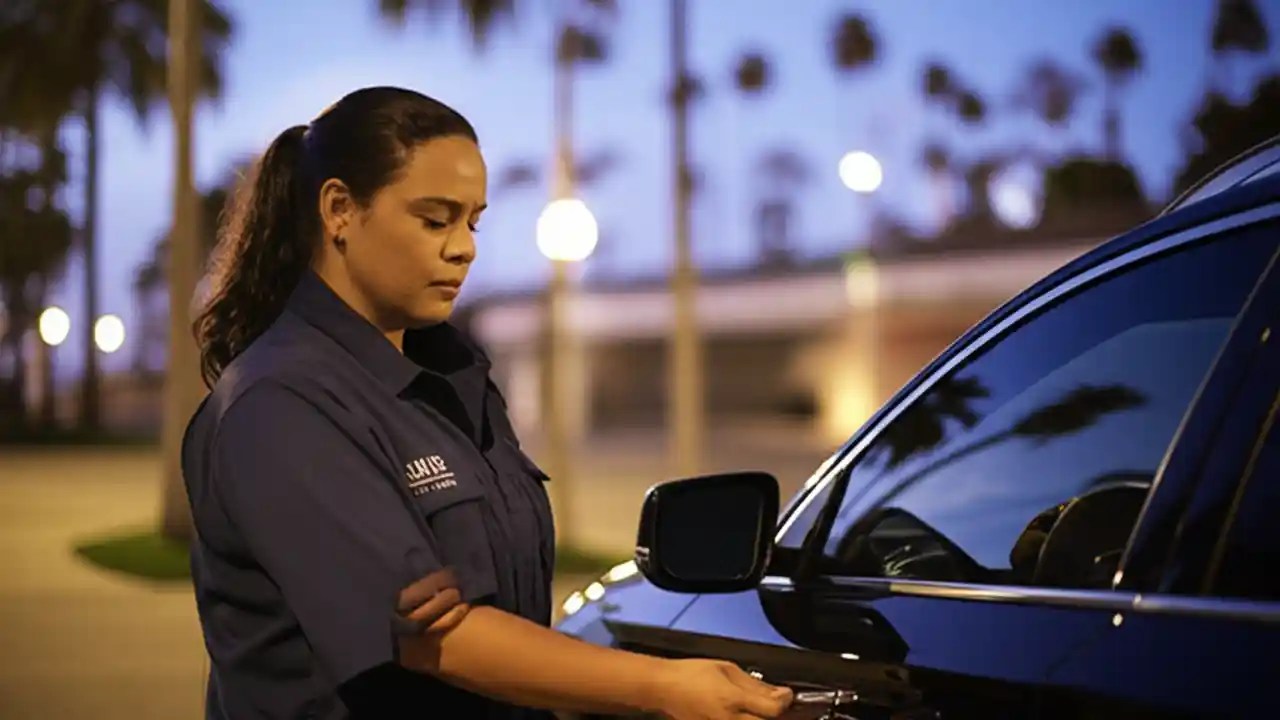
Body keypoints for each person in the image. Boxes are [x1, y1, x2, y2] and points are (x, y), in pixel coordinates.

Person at [181, 86, 794, 720]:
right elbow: (432, 639)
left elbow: (481, 617)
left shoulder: (455, 379)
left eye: (472, 220)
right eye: (434, 218)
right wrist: (662, 687)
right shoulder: (281, 404)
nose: (464, 247)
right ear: (339, 209)